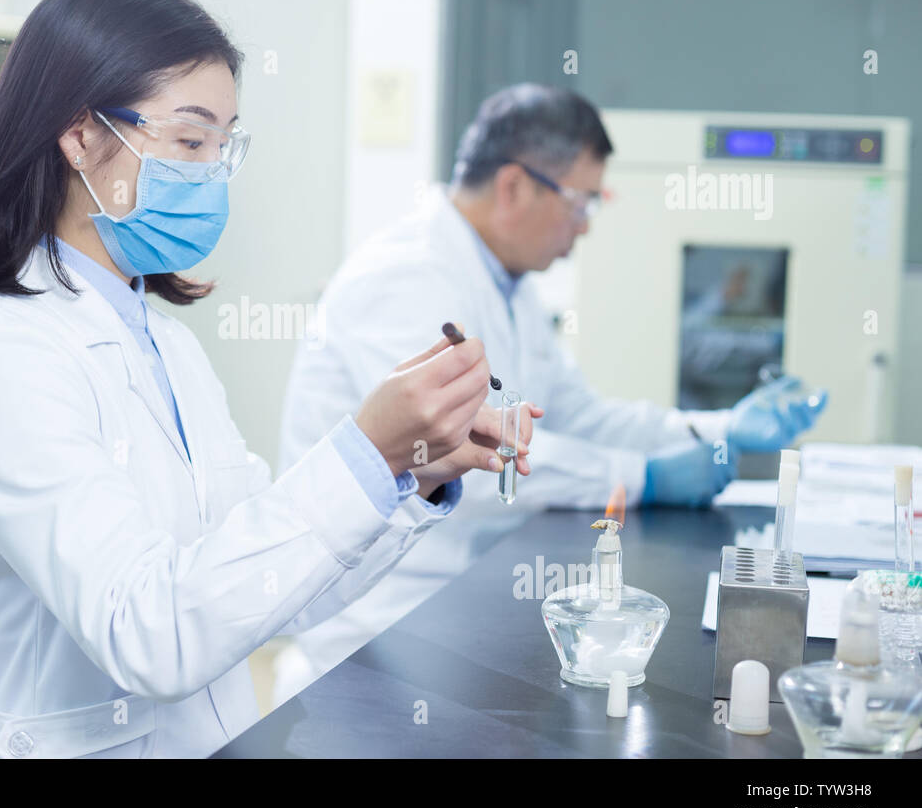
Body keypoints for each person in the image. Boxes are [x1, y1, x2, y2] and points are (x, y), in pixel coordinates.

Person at [0, 0, 539, 759]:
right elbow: (151, 636)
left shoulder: (166, 344)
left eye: (223, 144)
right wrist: (363, 450)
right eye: (188, 140)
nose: (212, 171)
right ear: (79, 136)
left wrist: (407, 471)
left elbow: (280, 598)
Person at [274, 83, 826, 699]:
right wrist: (643, 477)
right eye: (581, 202)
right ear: (514, 186)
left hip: (453, 592)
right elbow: (475, 452)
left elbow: (579, 414)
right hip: (378, 624)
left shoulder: (507, 283)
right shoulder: (406, 278)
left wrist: (717, 428)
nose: (584, 227)